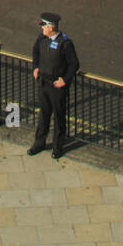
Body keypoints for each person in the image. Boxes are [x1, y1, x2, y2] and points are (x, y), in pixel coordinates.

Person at [27, 13, 80, 161]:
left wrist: (65, 80)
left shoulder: (65, 43)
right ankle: (39, 143)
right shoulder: (41, 38)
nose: (42, 28)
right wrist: (36, 67)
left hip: (57, 86)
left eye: (44, 26)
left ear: (51, 27)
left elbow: (74, 64)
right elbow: (35, 52)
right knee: (44, 115)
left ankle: (58, 147)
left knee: (58, 116)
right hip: (44, 83)